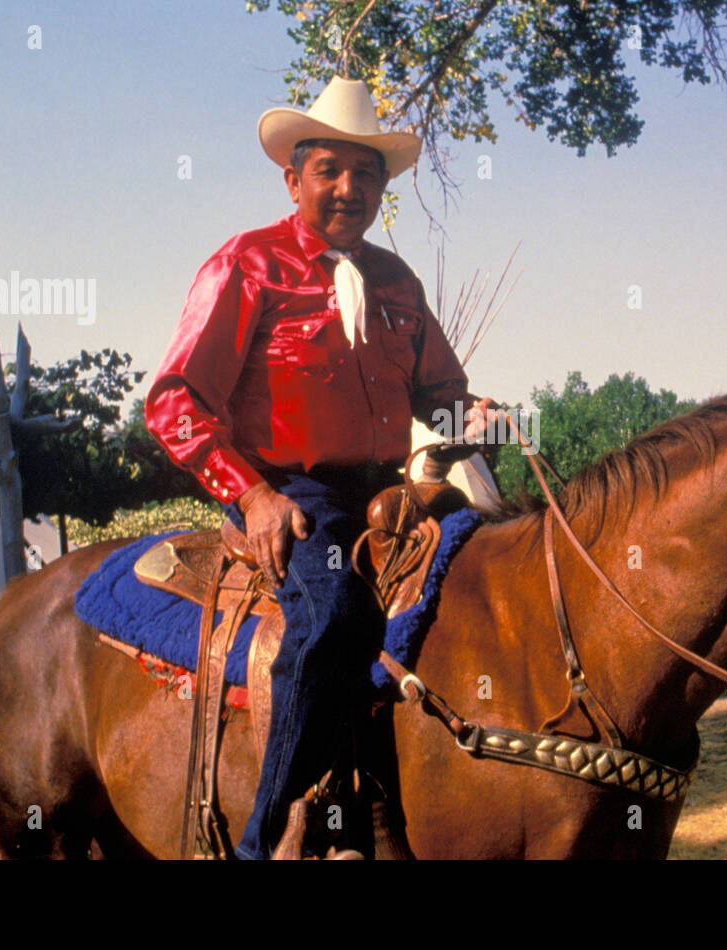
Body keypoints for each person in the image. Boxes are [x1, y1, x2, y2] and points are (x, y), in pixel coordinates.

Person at [145, 76, 496, 859]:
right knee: (334, 613)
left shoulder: (398, 283)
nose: (348, 188)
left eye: (365, 175)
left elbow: (441, 397)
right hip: (288, 487)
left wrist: (474, 420)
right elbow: (173, 400)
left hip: (390, 490)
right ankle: (265, 841)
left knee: (489, 570)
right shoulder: (248, 266)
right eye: (330, 171)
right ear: (292, 178)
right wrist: (253, 494)